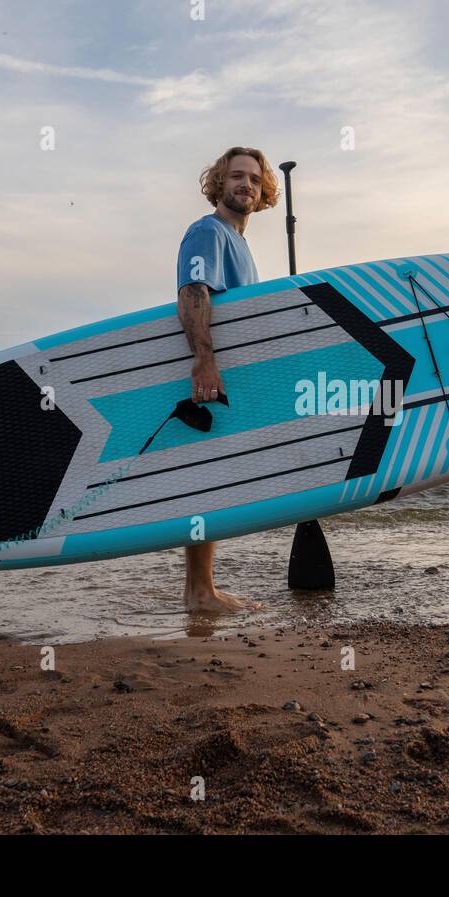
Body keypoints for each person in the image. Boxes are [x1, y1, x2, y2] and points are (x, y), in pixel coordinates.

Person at [174, 146, 279, 613]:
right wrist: (203, 359)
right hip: (209, 370)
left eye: (255, 180)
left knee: (215, 474)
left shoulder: (240, 243)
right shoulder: (208, 231)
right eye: (237, 177)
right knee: (209, 475)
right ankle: (199, 593)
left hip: (232, 374)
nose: (247, 186)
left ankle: (202, 590)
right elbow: (192, 291)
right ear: (219, 183)